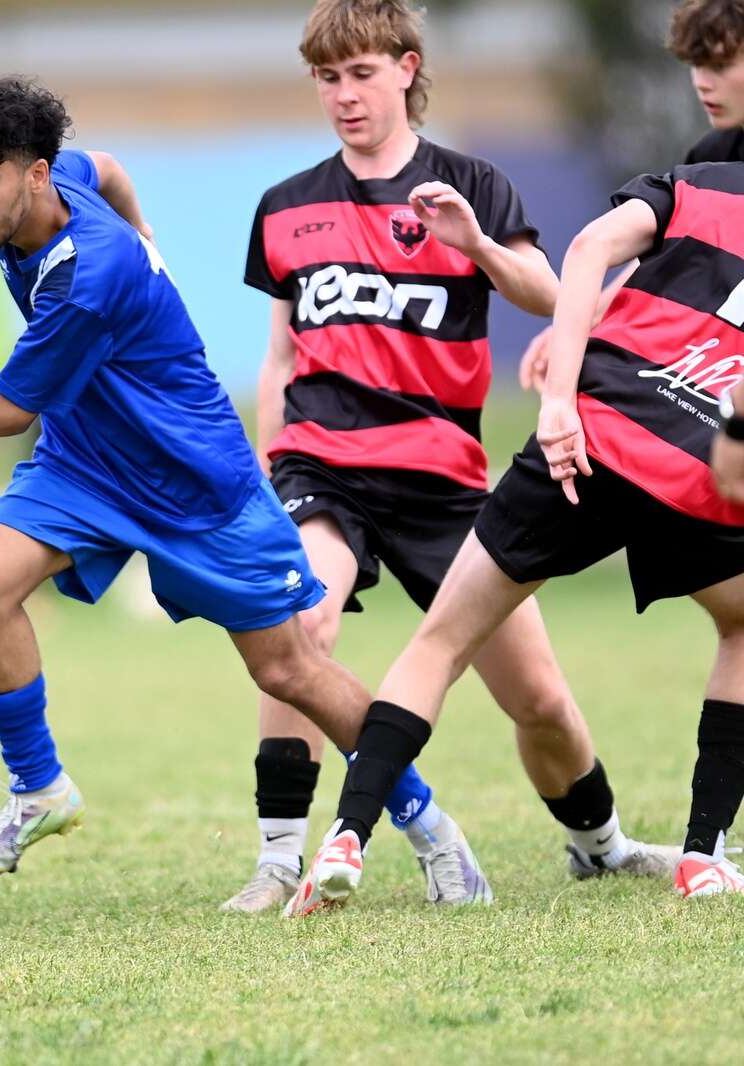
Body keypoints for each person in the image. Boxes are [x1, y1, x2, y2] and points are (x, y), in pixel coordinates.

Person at [0, 77, 375, 884]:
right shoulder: (66, 183)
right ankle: (38, 788)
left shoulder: (87, 278)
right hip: (87, 462)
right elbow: (112, 168)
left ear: (34, 175)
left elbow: (8, 412)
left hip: (192, 478)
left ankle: (424, 816)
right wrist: (144, 226)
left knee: (287, 670)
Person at [224, 0, 675, 914]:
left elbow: (550, 294)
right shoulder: (285, 207)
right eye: (326, 78)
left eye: (360, 73)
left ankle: (602, 846)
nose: (344, 95)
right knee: (300, 625)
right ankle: (277, 858)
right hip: (322, 466)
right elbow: (279, 358)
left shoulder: (471, 184)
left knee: (539, 700)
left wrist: (474, 242)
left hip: (444, 480)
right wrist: (268, 474)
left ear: (405, 67)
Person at [287, 160, 744, 915]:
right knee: (740, 627)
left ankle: (347, 836)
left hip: (591, 433)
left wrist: (559, 398)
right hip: (694, 474)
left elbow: (589, 247)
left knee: (440, 643)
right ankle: (703, 855)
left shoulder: (706, 182)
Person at [518, 0, 744, 391]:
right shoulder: (715, 155)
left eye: (719, 66)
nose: (701, 82)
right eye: (696, 64)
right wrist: (582, 323)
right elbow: (665, 254)